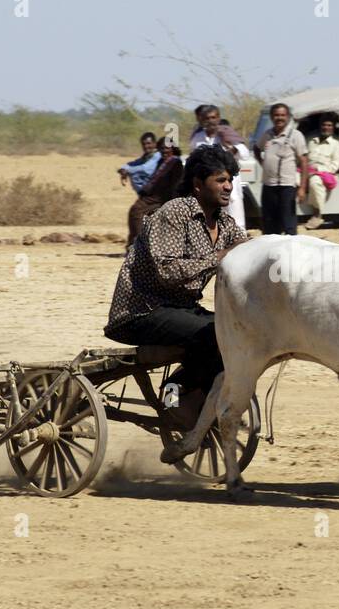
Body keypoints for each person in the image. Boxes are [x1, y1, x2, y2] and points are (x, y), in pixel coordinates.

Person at [105, 144, 248, 428]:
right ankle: (172, 394)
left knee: (238, 333)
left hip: (180, 311)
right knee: (213, 334)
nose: (229, 186)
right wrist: (219, 257)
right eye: (220, 180)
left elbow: (246, 255)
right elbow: (167, 272)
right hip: (141, 312)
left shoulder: (226, 224)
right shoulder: (173, 213)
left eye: (231, 179)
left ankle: (204, 401)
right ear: (197, 184)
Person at [253, 102, 307, 235]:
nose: (279, 118)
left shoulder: (296, 135)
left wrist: (302, 188)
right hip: (268, 186)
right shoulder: (267, 134)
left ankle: (291, 253)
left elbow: (304, 162)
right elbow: (256, 148)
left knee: (289, 224)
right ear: (271, 117)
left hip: (287, 186)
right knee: (269, 224)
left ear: (288, 117)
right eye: (276, 115)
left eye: (283, 115)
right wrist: (263, 163)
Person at [125, 136, 184, 247]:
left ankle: (139, 245)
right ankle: (135, 244)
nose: (164, 151)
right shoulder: (162, 161)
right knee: (136, 213)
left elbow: (175, 184)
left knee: (136, 212)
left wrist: (170, 201)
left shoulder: (176, 163)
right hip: (152, 195)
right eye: (161, 148)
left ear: (173, 148)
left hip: (161, 197)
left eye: (167, 148)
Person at [304, 113, 339, 227]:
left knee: (315, 181)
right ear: (320, 126)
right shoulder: (310, 140)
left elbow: (335, 166)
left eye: (329, 125)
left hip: (323, 173)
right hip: (306, 170)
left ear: (333, 127)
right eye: (324, 125)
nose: (326, 127)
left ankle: (317, 214)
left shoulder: (336, 144)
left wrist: (318, 169)